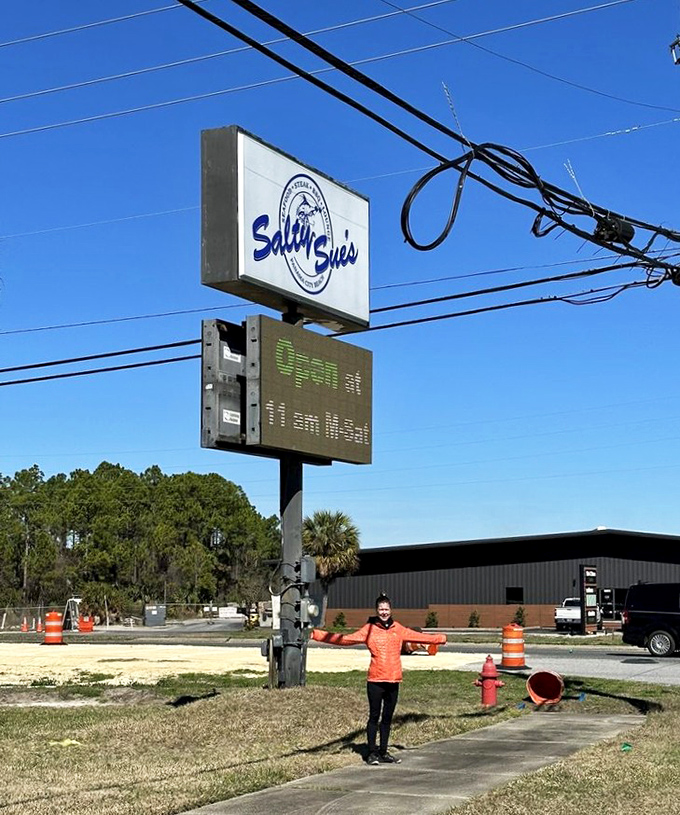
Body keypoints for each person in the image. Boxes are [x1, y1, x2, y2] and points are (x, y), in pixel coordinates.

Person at [310, 593, 446, 765]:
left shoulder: (398, 628)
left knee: (387, 718)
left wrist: (441, 639)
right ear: (377, 610)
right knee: (374, 717)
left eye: (386, 609)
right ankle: (372, 753)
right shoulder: (369, 629)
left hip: (393, 679)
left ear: (390, 610)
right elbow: (345, 639)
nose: (384, 612)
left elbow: (419, 637)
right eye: (381, 609)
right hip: (375, 680)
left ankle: (383, 751)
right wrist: (318, 635)